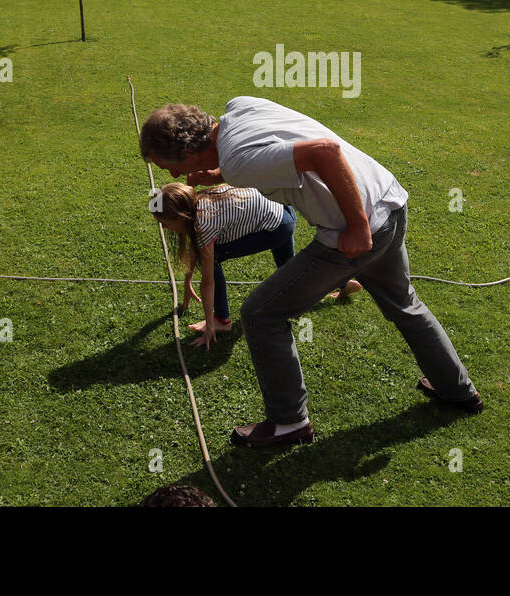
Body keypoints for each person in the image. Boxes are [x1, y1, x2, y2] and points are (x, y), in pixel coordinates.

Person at [139, 96, 482, 449]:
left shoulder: (239, 160)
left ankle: (289, 422)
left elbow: (325, 152)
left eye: (170, 167)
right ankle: (457, 389)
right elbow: (273, 150)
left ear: (187, 151)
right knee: (403, 303)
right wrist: (219, 172)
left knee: (260, 313)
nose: (175, 177)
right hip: (389, 201)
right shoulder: (239, 108)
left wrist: (358, 227)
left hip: (357, 230)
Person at [151, 182, 362, 349]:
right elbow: (195, 249)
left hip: (275, 227)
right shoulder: (201, 199)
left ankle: (222, 320)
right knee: (292, 273)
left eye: (164, 224)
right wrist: (188, 281)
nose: (164, 228)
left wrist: (209, 322)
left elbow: (208, 280)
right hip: (282, 211)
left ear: (181, 216)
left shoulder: (204, 223)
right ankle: (343, 283)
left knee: (213, 259)